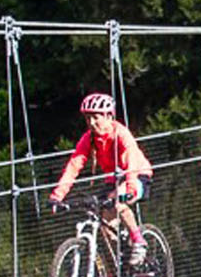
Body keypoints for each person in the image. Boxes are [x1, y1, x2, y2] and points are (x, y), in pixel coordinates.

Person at [48, 90, 154, 243]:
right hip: (113, 180)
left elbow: (131, 160)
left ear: (109, 116)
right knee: (102, 219)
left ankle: (139, 241)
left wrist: (130, 188)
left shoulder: (121, 134)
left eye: (95, 117)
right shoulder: (89, 138)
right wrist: (57, 196)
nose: (91, 123)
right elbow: (74, 166)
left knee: (118, 201)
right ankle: (120, 252)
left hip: (137, 176)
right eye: (88, 118)